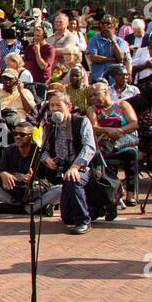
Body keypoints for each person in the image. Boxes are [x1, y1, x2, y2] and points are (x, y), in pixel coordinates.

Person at [37, 89, 98, 234]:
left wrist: (75, 167)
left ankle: (84, 221)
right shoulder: (50, 125)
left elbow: (89, 147)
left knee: (73, 180)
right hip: (62, 168)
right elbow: (42, 148)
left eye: (58, 105)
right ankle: (96, 210)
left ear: (68, 107)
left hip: (84, 167)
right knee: (67, 218)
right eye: (52, 106)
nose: (54, 109)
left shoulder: (81, 122)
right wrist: (47, 159)